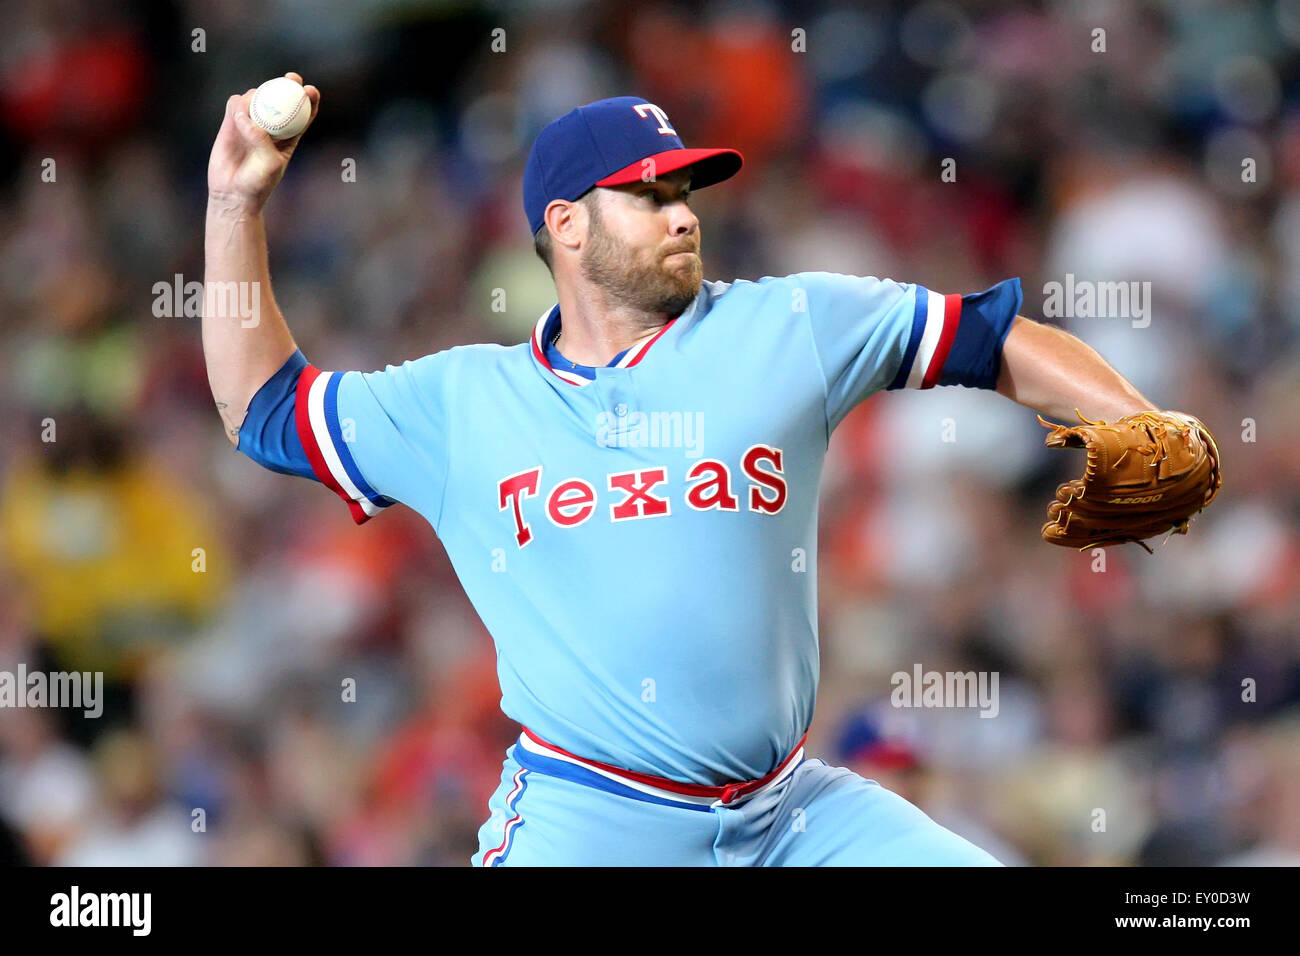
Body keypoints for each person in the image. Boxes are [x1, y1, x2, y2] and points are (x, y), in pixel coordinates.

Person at [204, 79, 1171, 866]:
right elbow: (264, 411)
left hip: (795, 814)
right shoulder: (462, 403)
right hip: (593, 822)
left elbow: (991, 337)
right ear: (567, 226)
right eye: (648, 195)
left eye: (684, 193)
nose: (681, 217)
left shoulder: (790, 326)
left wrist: (1140, 423)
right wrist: (234, 203)